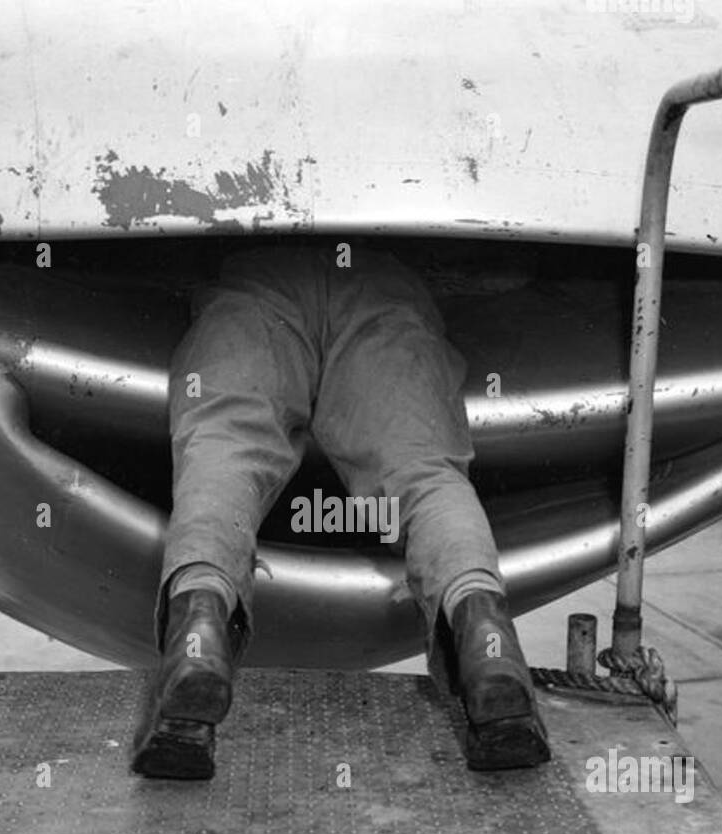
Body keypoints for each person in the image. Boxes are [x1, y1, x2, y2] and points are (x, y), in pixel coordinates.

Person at [131, 242, 551, 780]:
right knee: (424, 476)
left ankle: (198, 647)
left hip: (259, 279)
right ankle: (489, 650)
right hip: (383, 286)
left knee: (224, 452)